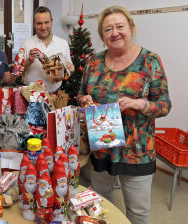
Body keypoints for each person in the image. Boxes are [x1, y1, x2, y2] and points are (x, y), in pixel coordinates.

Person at [76, 6, 171, 224]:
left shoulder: (150, 61)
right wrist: (85, 100)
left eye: (120, 26)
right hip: (102, 147)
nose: (115, 32)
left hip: (136, 150)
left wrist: (140, 104)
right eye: (108, 29)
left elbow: (165, 105)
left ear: (131, 28)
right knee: (101, 204)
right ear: (102, 36)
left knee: (137, 212)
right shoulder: (93, 62)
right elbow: (80, 95)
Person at [20, 6, 75, 93]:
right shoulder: (26, 43)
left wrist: (71, 69)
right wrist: (29, 61)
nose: (43, 27)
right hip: (30, 95)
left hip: (55, 94)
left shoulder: (63, 43)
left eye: (46, 22)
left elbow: (69, 71)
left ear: (51, 22)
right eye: (39, 23)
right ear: (34, 24)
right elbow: (19, 72)